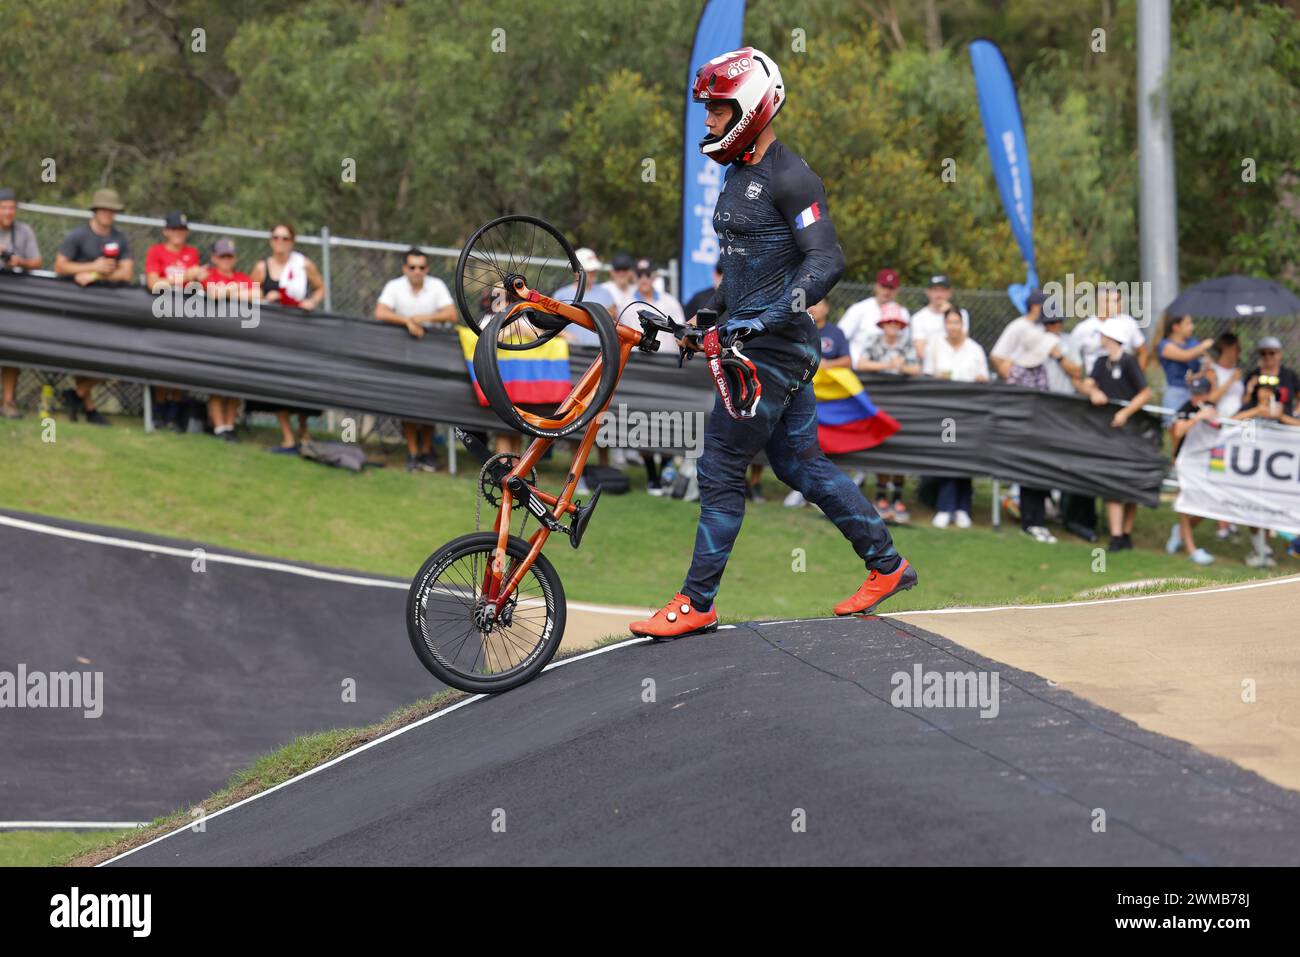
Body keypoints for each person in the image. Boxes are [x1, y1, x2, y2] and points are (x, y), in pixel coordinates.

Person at [630, 47, 916, 639]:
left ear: (754, 106)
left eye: (718, 108)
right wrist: (708, 315)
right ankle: (888, 565)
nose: (707, 120)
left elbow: (826, 260)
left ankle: (697, 602)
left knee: (720, 465)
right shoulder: (737, 174)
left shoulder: (793, 177)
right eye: (707, 110)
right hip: (756, 341)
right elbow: (741, 271)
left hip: (774, 350)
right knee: (798, 463)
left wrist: (767, 317)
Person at [53, 188, 135, 425]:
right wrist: (92, 267)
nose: (110, 214)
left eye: (113, 210)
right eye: (106, 209)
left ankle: (76, 394)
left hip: (110, 306)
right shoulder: (78, 235)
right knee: (83, 356)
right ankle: (89, 408)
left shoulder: (120, 238)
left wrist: (97, 275)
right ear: (96, 210)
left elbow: (126, 272)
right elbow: (60, 266)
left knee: (118, 355)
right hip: (79, 306)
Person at [375, 247, 457, 472]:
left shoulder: (437, 286)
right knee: (406, 401)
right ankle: (412, 453)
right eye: (412, 267)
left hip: (432, 354)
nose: (417, 271)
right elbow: (380, 312)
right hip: (403, 354)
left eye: (421, 267)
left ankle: (426, 452)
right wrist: (407, 322)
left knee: (431, 402)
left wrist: (425, 318)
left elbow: (451, 314)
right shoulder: (394, 287)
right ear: (405, 269)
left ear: (427, 269)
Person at [249, 224, 326, 452]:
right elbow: (250, 294)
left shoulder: (304, 265)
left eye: (285, 238)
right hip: (272, 333)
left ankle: (304, 435)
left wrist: (311, 302)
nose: (280, 242)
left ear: (292, 241)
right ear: (270, 241)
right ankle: (287, 437)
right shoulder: (261, 267)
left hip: (299, 331)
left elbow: (320, 288)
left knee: (302, 381)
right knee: (275, 382)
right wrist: (266, 297)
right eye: (276, 238)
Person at [1080, 316, 1153, 552]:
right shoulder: (1102, 362)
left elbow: (1145, 393)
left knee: (1131, 483)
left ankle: (1126, 532)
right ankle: (1116, 535)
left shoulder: (1129, 362)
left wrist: (1125, 412)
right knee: (1112, 481)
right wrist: (1093, 391)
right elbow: (1088, 382)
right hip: (1109, 431)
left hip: (1130, 431)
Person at [923, 305, 988, 530]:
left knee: (965, 458)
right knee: (946, 456)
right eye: (949, 322)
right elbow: (928, 375)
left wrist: (980, 380)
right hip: (944, 411)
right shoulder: (935, 346)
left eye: (956, 322)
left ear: (963, 325)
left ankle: (962, 508)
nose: (953, 326)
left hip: (969, 413)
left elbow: (984, 378)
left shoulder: (975, 349)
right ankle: (944, 507)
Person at [856, 301, 918, 523]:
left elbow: (916, 368)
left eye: (896, 322)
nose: (892, 326)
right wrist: (887, 365)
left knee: (901, 448)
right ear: (882, 324)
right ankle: (881, 496)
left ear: (901, 325)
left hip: (902, 405)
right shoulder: (873, 341)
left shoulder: (907, 344)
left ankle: (898, 498)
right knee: (881, 448)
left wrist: (901, 367)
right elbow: (861, 363)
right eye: (888, 322)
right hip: (878, 403)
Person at [145, 212, 206, 431]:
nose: (178, 234)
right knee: (162, 365)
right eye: (174, 229)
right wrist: (184, 277)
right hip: (162, 313)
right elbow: (154, 284)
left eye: (182, 230)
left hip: (185, 313)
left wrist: (193, 278)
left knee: (181, 365)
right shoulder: (156, 252)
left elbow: (194, 285)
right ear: (166, 231)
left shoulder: (192, 253)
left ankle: (174, 413)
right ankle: (159, 411)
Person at [630, 257, 686, 494]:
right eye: (640, 275)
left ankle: (664, 468)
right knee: (642, 421)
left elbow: (682, 333)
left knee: (667, 420)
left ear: (654, 277)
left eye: (648, 275)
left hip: (666, 369)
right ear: (636, 277)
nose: (644, 279)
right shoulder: (627, 302)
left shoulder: (670, 302)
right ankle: (651, 473)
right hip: (640, 369)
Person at [201, 237, 257, 441]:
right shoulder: (209, 275)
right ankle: (219, 427)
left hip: (239, 338)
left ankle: (230, 425)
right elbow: (214, 293)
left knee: (235, 384)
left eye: (230, 256)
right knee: (216, 384)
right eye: (222, 256)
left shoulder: (243, 277)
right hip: (215, 337)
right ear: (215, 258)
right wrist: (236, 290)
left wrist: (230, 291)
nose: (226, 260)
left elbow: (257, 294)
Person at [1164, 376, 1219, 565]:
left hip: (1207, 465)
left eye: (1200, 393)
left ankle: (1178, 531)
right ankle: (1191, 549)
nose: (1196, 397)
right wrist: (1197, 418)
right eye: (1194, 393)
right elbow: (1178, 432)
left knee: (1209, 506)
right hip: (1186, 464)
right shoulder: (1186, 409)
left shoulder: (1214, 408)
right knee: (1185, 505)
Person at [0, 187, 44, 419]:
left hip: (13, 299)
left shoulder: (23, 231)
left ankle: (8, 402)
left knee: (10, 349)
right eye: (3, 207)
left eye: (11, 208)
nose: (8, 212)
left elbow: (37, 261)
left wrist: (20, 261)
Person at [838, 267, 909, 366]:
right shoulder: (859, 309)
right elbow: (840, 337)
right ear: (876, 286)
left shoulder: (902, 312)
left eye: (891, 288)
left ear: (897, 290)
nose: (887, 291)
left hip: (893, 373)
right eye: (884, 286)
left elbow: (905, 342)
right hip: (858, 370)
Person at [1073, 284, 1147, 376]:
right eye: (1117, 300)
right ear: (1102, 303)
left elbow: (1143, 351)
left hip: (1124, 387)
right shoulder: (1083, 328)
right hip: (1096, 386)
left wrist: (1136, 377)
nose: (1122, 303)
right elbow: (1072, 361)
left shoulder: (1128, 322)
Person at [1155, 313, 1212, 424]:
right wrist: (1203, 346)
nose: (1192, 327)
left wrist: (1199, 373)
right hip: (1176, 392)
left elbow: (1207, 362)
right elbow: (1185, 356)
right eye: (1188, 323)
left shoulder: (1193, 343)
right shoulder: (1165, 345)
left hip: (1195, 392)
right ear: (1176, 327)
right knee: (1175, 427)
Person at [552, 247, 615, 347]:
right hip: (571, 351)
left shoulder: (605, 293)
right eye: (590, 270)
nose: (593, 273)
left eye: (594, 270)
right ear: (577, 271)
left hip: (601, 352)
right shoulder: (561, 295)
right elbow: (550, 323)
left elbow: (615, 321)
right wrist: (564, 334)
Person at [910, 274, 968, 363]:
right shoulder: (918, 318)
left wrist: (950, 313)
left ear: (950, 292)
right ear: (927, 292)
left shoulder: (961, 314)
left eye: (943, 290)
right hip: (929, 367)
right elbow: (920, 351)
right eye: (935, 290)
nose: (939, 294)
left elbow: (963, 343)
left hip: (957, 364)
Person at [1240, 336, 1299, 416]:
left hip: (1284, 423)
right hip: (1257, 421)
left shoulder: (1289, 375)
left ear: (1279, 354)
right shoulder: (1253, 375)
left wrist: (1296, 414)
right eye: (1263, 353)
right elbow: (1244, 404)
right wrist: (1249, 390)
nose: (1267, 356)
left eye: (1271, 353)